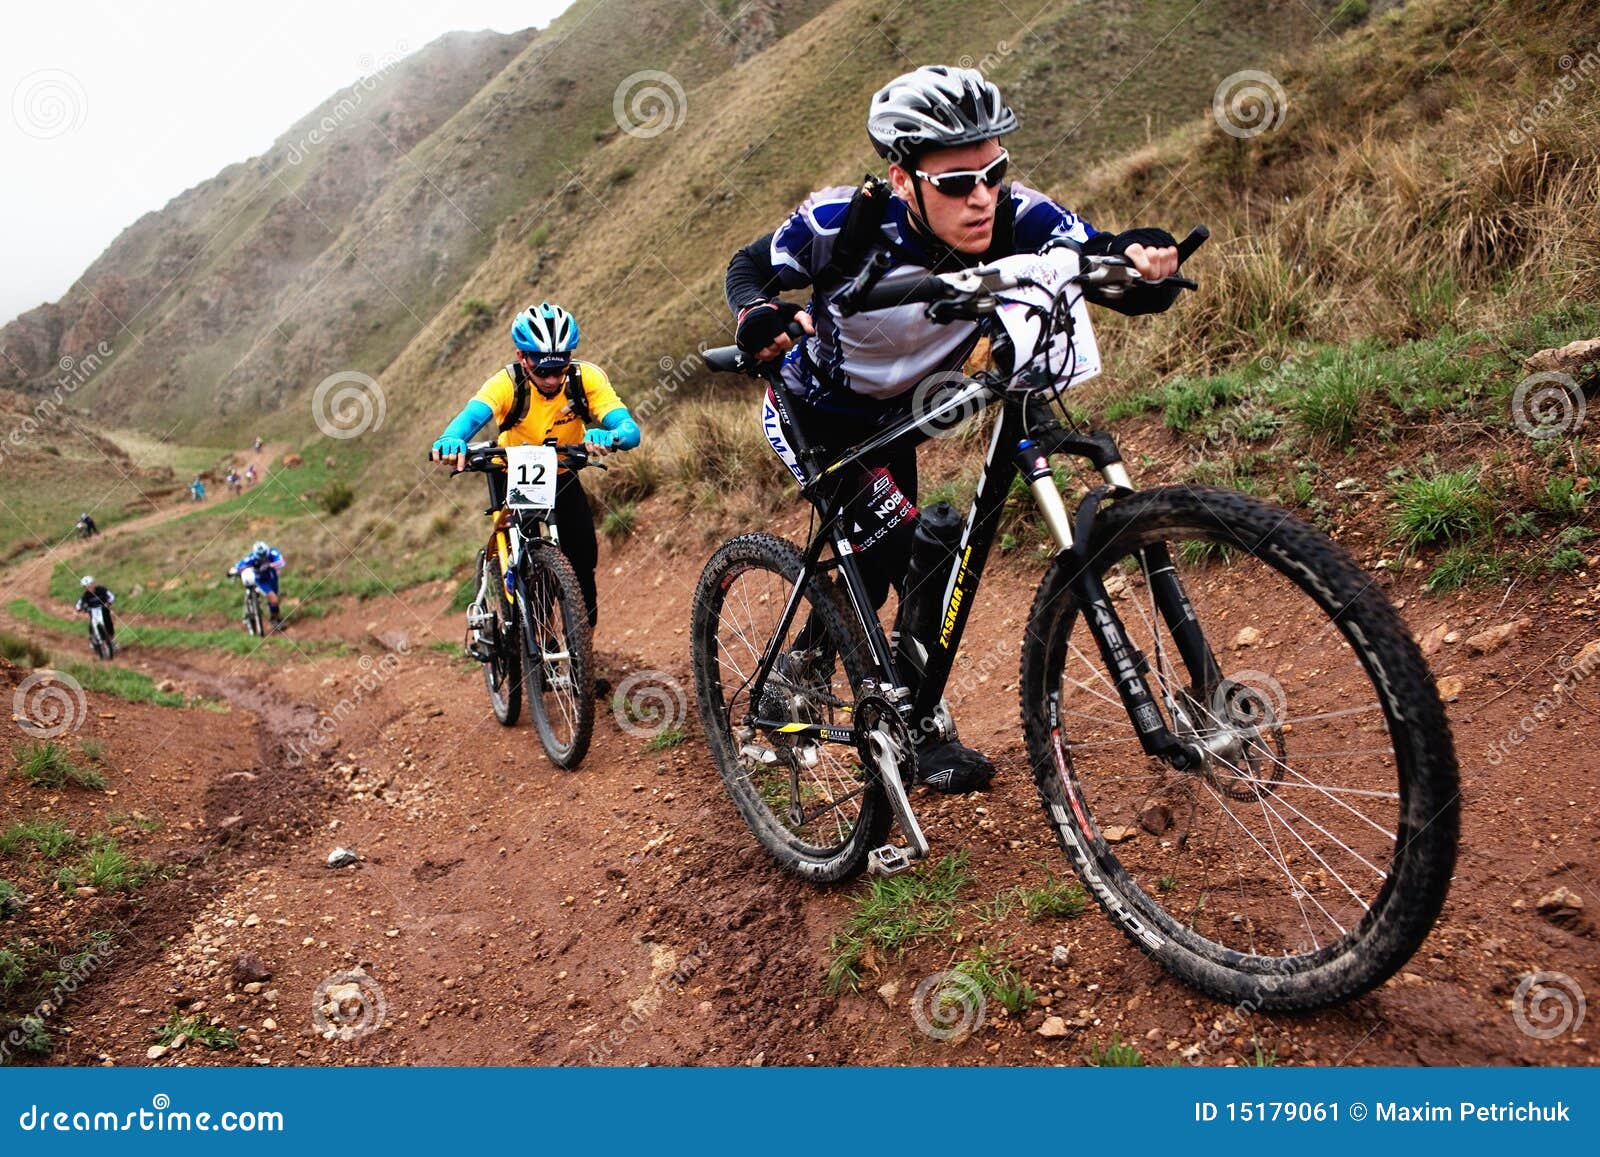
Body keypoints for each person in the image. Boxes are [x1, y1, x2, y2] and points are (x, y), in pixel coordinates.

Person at [724, 65, 1185, 793]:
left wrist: (1144, 259)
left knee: (907, 558)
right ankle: (843, 696)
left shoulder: (1015, 215)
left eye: (993, 172)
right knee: (890, 559)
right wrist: (757, 315)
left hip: (898, 416)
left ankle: (896, 701)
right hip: (816, 412)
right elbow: (750, 267)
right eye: (956, 181)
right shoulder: (840, 223)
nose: (980, 196)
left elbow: (1101, 253)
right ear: (902, 178)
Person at [429, 301, 640, 629]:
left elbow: (630, 430)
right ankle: (525, 630)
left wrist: (610, 436)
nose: (553, 379)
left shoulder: (587, 379)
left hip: (562, 475)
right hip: (510, 473)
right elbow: (468, 420)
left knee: (583, 565)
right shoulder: (506, 384)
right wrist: (450, 439)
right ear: (521, 358)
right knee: (524, 567)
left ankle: (581, 658)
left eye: (560, 368)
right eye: (542, 370)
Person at [229, 540, 285, 630]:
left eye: (264, 556)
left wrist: (270, 565)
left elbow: (281, 562)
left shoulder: (273, 552)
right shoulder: (251, 558)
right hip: (262, 581)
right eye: (260, 557)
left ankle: (275, 618)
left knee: (274, 601)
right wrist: (232, 571)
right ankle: (274, 620)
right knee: (274, 599)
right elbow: (240, 564)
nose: (262, 559)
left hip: (273, 579)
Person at [76, 575, 115, 642]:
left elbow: (111, 596)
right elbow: (79, 604)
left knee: (108, 622)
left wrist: (108, 603)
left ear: (93, 584)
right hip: (93, 612)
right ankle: (92, 637)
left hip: (104, 610)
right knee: (92, 623)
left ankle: (112, 640)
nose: (89, 588)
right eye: (87, 587)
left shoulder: (102, 589)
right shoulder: (86, 595)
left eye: (90, 585)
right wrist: (80, 608)